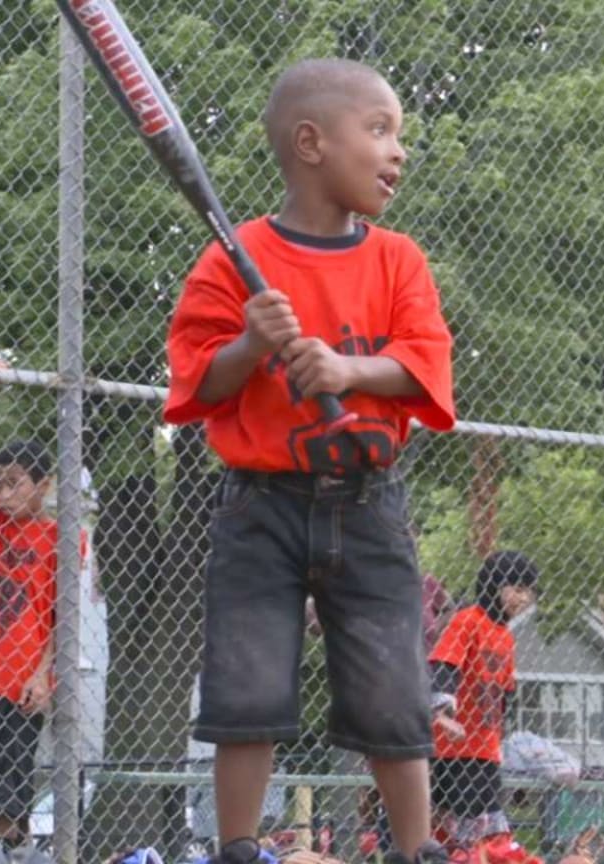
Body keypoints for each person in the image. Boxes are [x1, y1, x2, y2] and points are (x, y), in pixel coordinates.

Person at [162, 58, 455, 864]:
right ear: (310, 142)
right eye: (381, 130)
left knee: (394, 685)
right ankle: (240, 848)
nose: (398, 152)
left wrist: (348, 369)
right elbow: (197, 378)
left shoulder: (398, 259)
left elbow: (425, 362)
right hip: (261, 505)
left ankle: (414, 849)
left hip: (369, 502)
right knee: (247, 682)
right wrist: (252, 342)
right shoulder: (236, 257)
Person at [0, 360, 69, 848]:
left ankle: (14, 850)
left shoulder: (57, 538)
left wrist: (41, 673)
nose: (4, 492)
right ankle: (6, 850)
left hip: (25, 679)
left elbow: (61, 614)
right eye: (1, 484)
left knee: (12, 780)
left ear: (43, 485)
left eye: (16, 483)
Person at [429, 552, 539, 858]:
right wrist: (442, 712)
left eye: (528, 591)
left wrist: (502, 745)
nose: (524, 598)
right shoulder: (467, 621)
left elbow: (504, 694)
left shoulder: (505, 637)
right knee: (477, 826)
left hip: (486, 749)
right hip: (456, 747)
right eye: (517, 588)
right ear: (495, 586)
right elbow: (444, 665)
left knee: (468, 825)